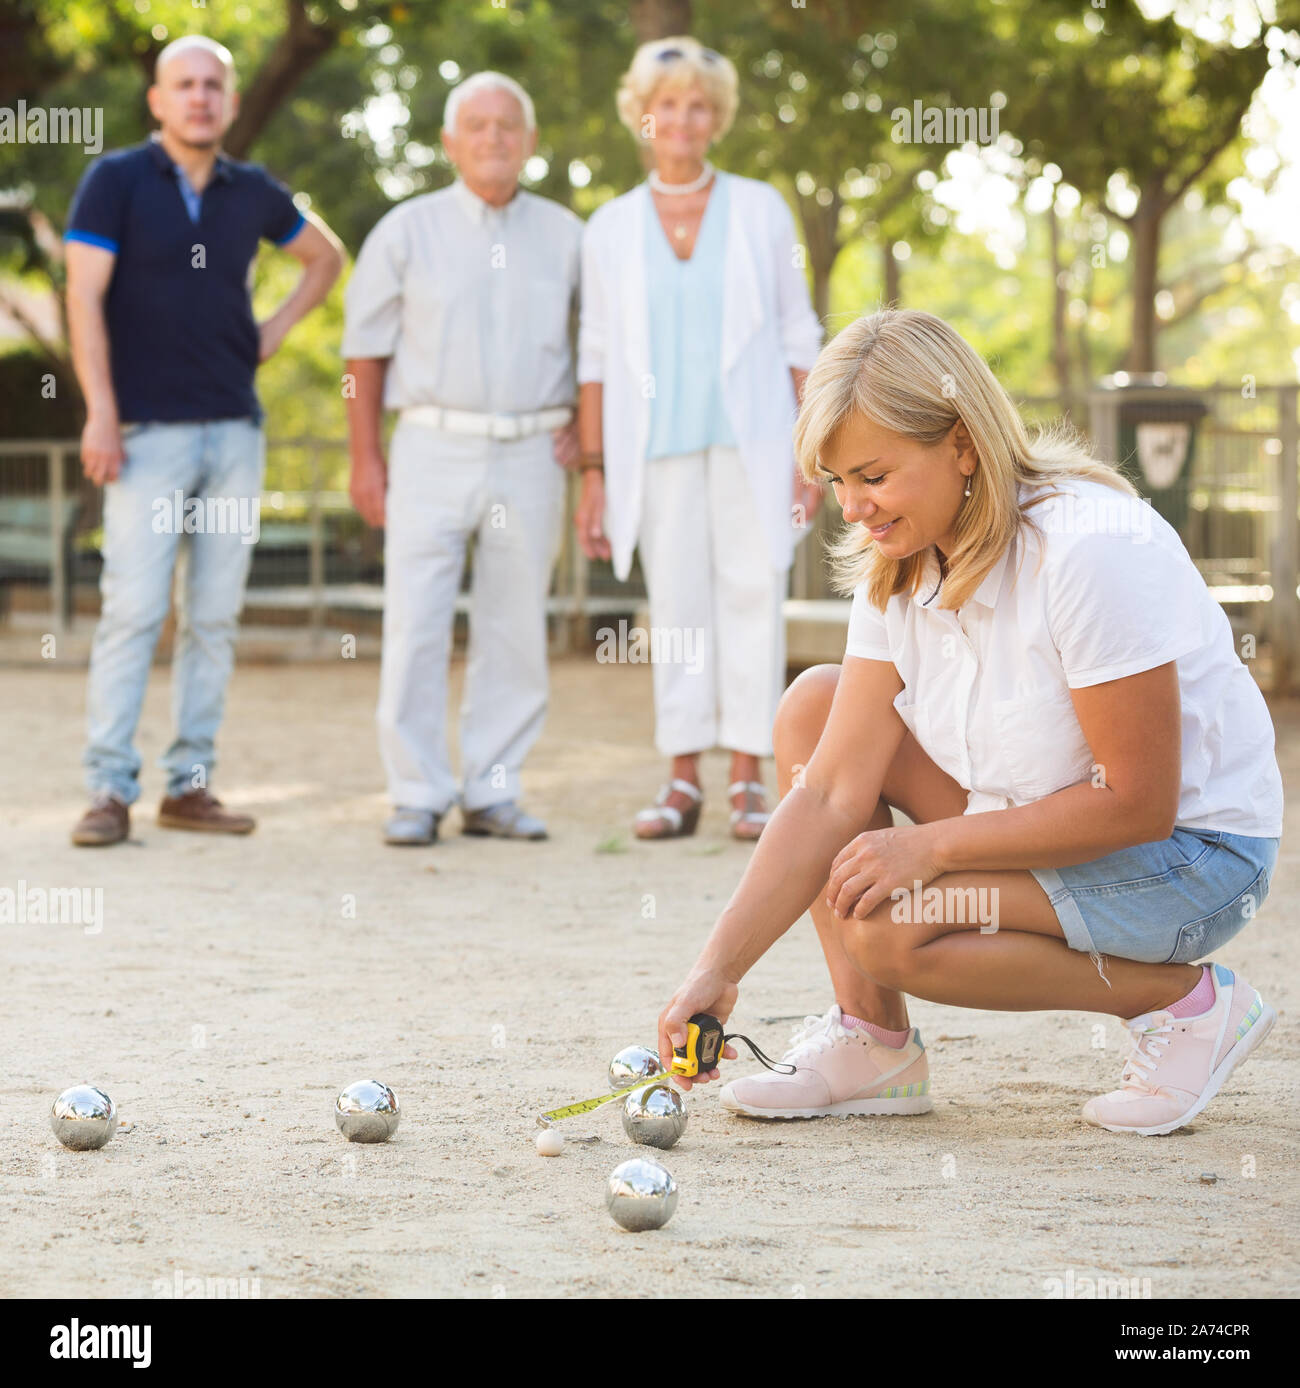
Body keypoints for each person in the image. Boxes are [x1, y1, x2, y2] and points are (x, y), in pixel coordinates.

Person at [656, 308, 1283, 1137]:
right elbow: (832, 792)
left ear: (961, 444)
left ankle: (1191, 1006)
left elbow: (1138, 805)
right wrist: (716, 970)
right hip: (1042, 817)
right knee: (815, 706)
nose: (852, 507)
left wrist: (928, 847)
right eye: (838, 481)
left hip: (1191, 860)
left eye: (872, 475)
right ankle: (874, 1044)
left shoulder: (1089, 550)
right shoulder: (900, 561)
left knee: (889, 928)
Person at [65, 35, 343, 847]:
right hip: (143, 433)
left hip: (233, 431)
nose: (199, 97)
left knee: (214, 617)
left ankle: (189, 787)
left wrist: (274, 331)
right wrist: (100, 411)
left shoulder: (252, 190)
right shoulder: (112, 181)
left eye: (213, 85)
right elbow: (84, 302)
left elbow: (324, 257)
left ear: (226, 99)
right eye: (183, 84)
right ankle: (109, 791)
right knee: (134, 612)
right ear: (157, 100)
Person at [575, 36, 823, 843]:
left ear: (716, 119)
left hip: (754, 444)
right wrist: (593, 472)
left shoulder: (759, 209)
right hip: (654, 450)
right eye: (667, 102)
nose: (681, 119)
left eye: (698, 105)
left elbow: (797, 332)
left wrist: (813, 449)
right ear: (641, 114)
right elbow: (597, 354)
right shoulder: (609, 226)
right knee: (675, 607)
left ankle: (751, 778)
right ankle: (682, 778)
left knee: (754, 595)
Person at [343, 72, 582, 846]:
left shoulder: (567, 236)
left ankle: (494, 792)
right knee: (416, 621)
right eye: (476, 125)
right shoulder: (405, 231)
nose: (493, 138)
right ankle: (414, 792)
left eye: (508, 125)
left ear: (531, 142)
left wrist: (590, 428)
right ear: (450, 142)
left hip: (533, 449)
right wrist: (364, 459)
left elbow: (602, 346)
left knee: (515, 627)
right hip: (430, 447)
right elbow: (363, 353)